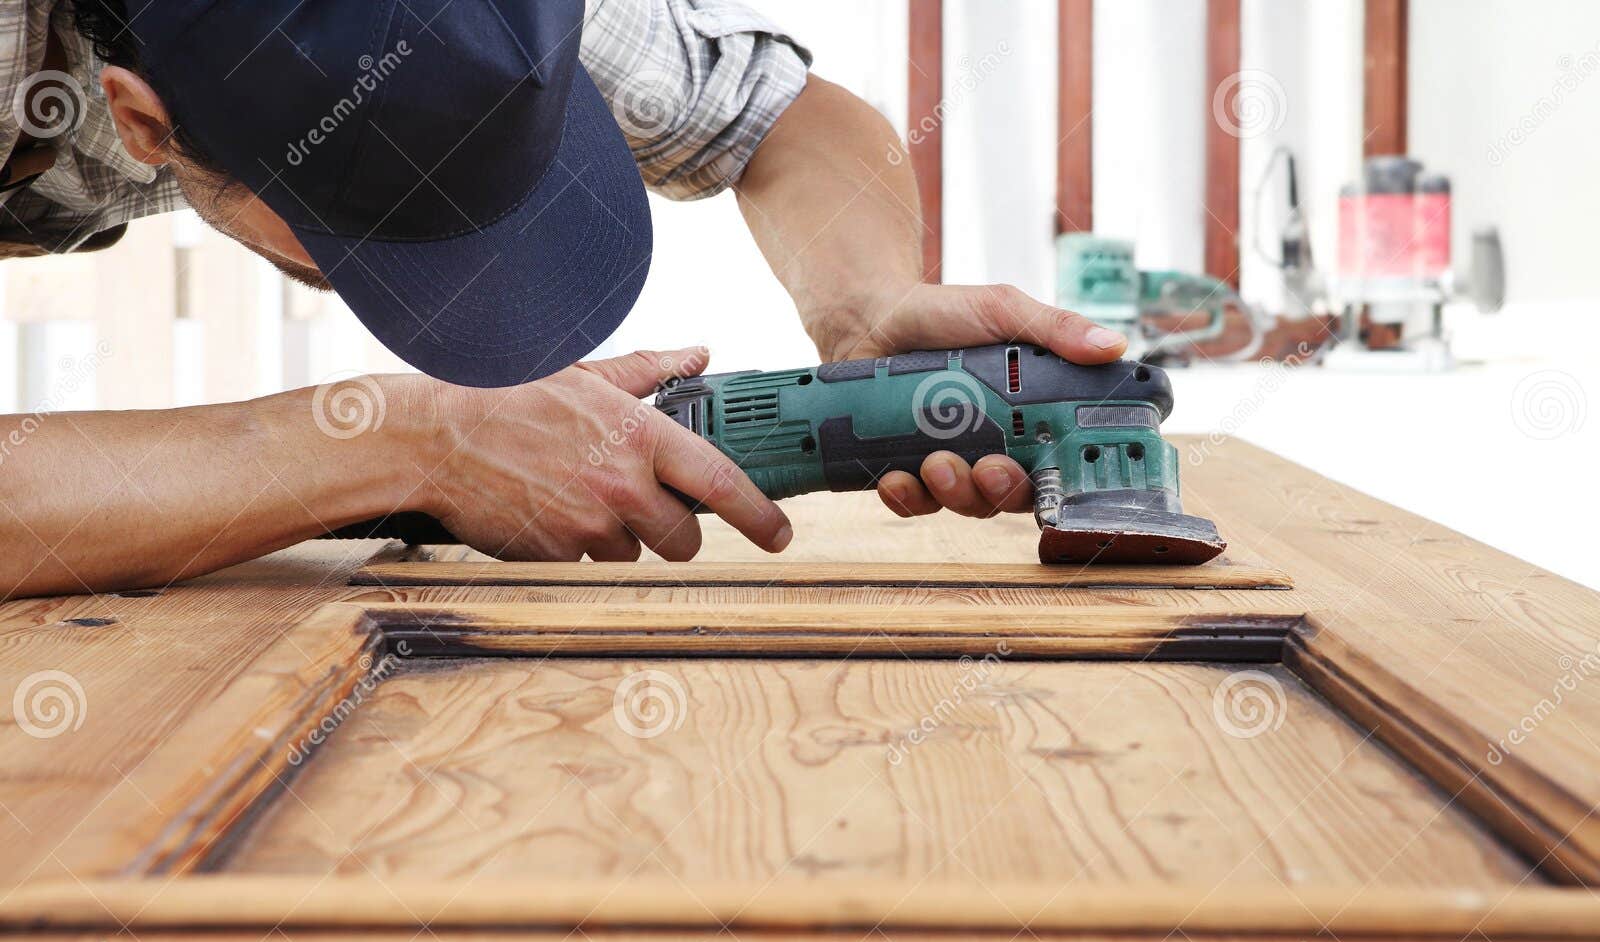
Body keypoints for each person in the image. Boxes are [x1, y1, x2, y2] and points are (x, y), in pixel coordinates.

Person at [0, 0, 1127, 597]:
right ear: (140, 122)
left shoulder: (483, 18)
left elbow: (790, 120)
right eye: (385, 227)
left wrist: (867, 305)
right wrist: (413, 444)